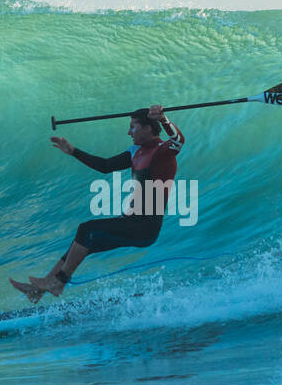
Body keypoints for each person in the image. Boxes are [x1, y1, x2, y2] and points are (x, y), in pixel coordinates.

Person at [10, 104, 185, 303]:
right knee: (83, 243)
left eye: (133, 127)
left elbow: (179, 141)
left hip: (145, 226)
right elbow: (105, 166)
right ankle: (39, 289)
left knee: (86, 229)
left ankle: (58, 282)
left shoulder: (162, 151)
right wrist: (73, 151)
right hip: (130, 221)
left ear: (147, 128)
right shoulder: (135, 152)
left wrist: (164, 120)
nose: (129, 132)